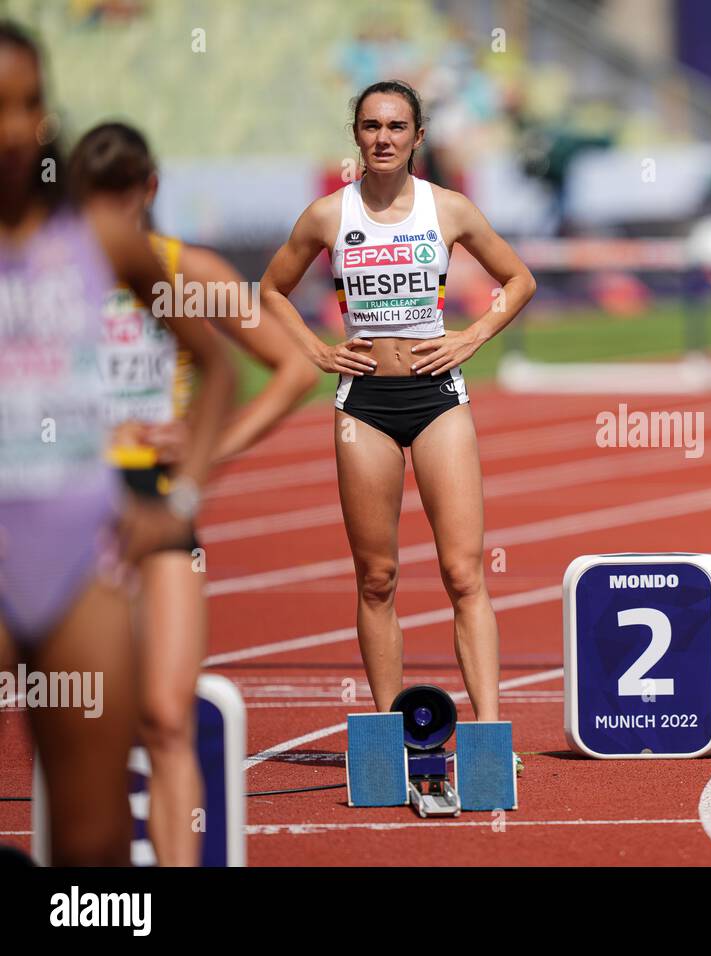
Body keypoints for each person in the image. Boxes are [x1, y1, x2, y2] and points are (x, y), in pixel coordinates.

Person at [0, 21, 233, 864]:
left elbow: (217, 367)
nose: (16, 127)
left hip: (79, 563)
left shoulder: (99, 239)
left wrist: (183, 500)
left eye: (30, 104)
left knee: (93, 836)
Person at [70, 121, 318, 865]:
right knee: (84, 722)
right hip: (75, 507)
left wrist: (207, 452)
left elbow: (293, 369)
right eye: (92, 198)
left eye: (120, 195)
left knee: (167, 715)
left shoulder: (187, 269)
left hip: (158, 503)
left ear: (147, 191)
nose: (107, 213)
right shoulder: (51, 273)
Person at [259, 80, 535, 716]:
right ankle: (389, 731)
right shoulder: (329, 215)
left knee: (463, 573)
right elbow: (272, 289)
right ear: (355, 134)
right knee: (377, 577)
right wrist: (317, 351)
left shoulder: (449, 209)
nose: (383, 138)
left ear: (418, 137)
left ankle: (490, 730)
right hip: (364, 406)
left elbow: (519, 279)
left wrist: (473, 336)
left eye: (396, 127)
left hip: (438, 397)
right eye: (371, 126)